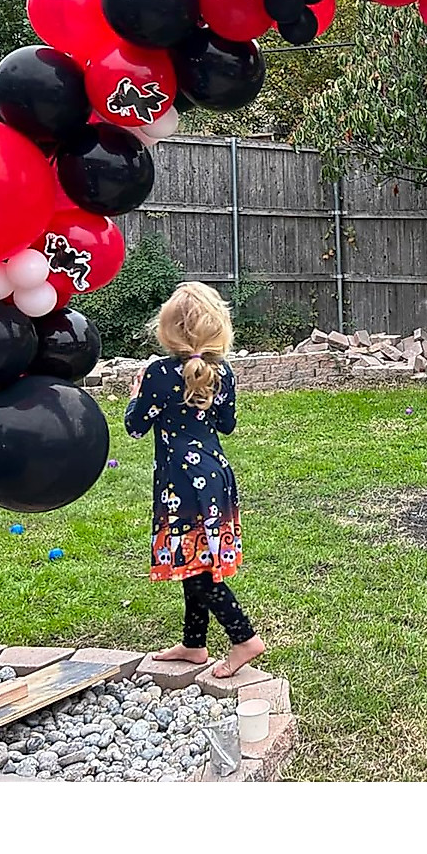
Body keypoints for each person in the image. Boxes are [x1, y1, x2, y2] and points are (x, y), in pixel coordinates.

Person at [124, 282, 265, 678]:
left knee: (197, 567)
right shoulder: (224, 373)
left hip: (181, 486)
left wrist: (136, 394)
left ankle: (244, 638)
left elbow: (135, 427)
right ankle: (193, 644)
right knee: (197, 560)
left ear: (168, 327)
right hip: (215, 479)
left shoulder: (157, 373)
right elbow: (227, 424)